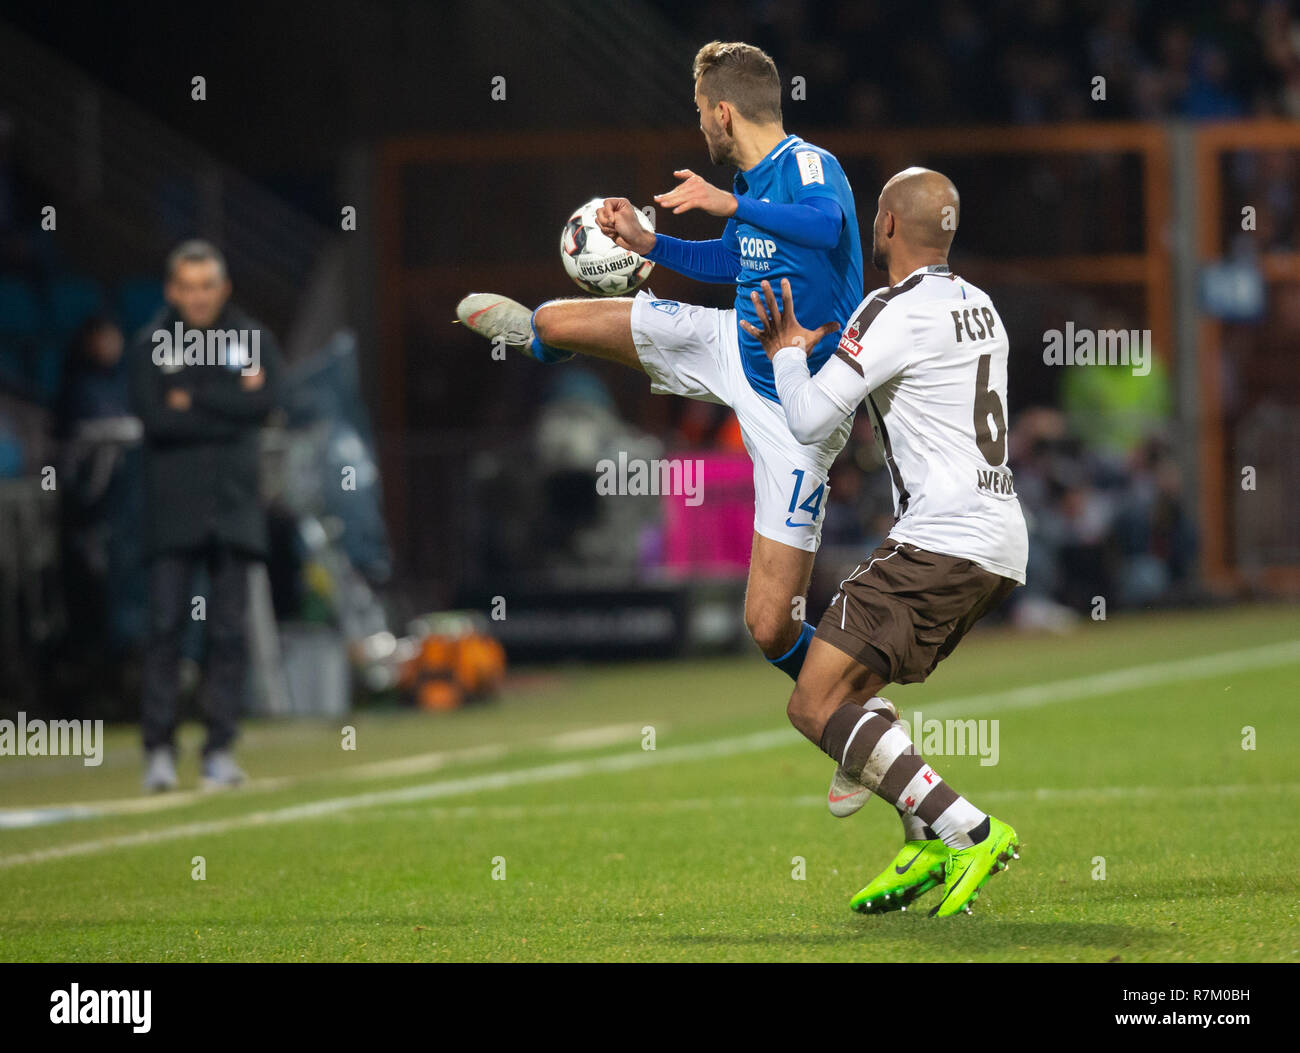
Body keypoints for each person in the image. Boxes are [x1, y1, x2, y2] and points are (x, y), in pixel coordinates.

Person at [456, 40, 862, 684]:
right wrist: (651, 244)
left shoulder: (808, 164)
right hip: (734, 343)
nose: (698, 122)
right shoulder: (748, 184)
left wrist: (731, 206)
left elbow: (826, 227)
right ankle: (540, 337)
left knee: (769, 624)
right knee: (558, 318)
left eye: (700, 108)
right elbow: (730, 262)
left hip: (800, 403)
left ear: (723, 112)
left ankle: (853, 706)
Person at [742, 169, 1027, 917]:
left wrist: (783, 348)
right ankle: (925, 832)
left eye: (875, 214)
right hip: (997, 542)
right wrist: (837, 349)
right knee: (852, 696)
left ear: (890, 226)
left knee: (813, 704)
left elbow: (806, 418)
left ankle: (964, 826)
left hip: (941, 537)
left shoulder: (889, 307)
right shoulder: (981, 305)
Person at [127, 240, 282, 791]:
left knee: (229, 633)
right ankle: (159, 752)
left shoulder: (254, 338)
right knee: (166, 627)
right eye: (187, 287)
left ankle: (218, 750)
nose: (197, 297)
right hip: (172, 510)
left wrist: (191, 400)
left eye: (206, 286)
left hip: (235, 507)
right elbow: (156, 418)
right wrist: (229, 403)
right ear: (172, 289)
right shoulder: (151, 343)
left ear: (224, 287)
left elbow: (264, 405)